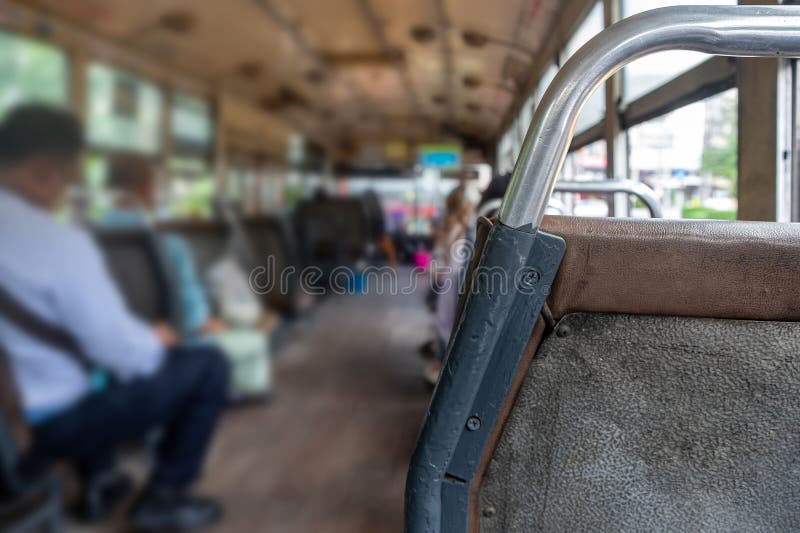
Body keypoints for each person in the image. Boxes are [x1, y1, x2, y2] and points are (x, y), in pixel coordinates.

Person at [0, 105, 228, 530]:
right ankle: (164, 496)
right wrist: (158, 338)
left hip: (12, 416)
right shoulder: (56, 243)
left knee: (79, 369)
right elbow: (124, 353)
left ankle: (101, 479)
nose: (66, 190)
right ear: (42, 170)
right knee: (207, 367)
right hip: (32, 433)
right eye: (67, 178)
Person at [103, 153, 275, 399]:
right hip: (170, 348)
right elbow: (195, 321)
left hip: (105, 354)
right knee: (255, 342)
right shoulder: (170, 246)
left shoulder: (83, 241)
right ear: (147, 188)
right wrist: (212, 323)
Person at [423, 184, 478, 385]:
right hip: (458, 280)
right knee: (454, 323)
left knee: (444, 323)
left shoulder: (446, 225)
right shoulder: (470, 227)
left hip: (446, 279)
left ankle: (443, 362)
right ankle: (449, 368)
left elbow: (437, 259)